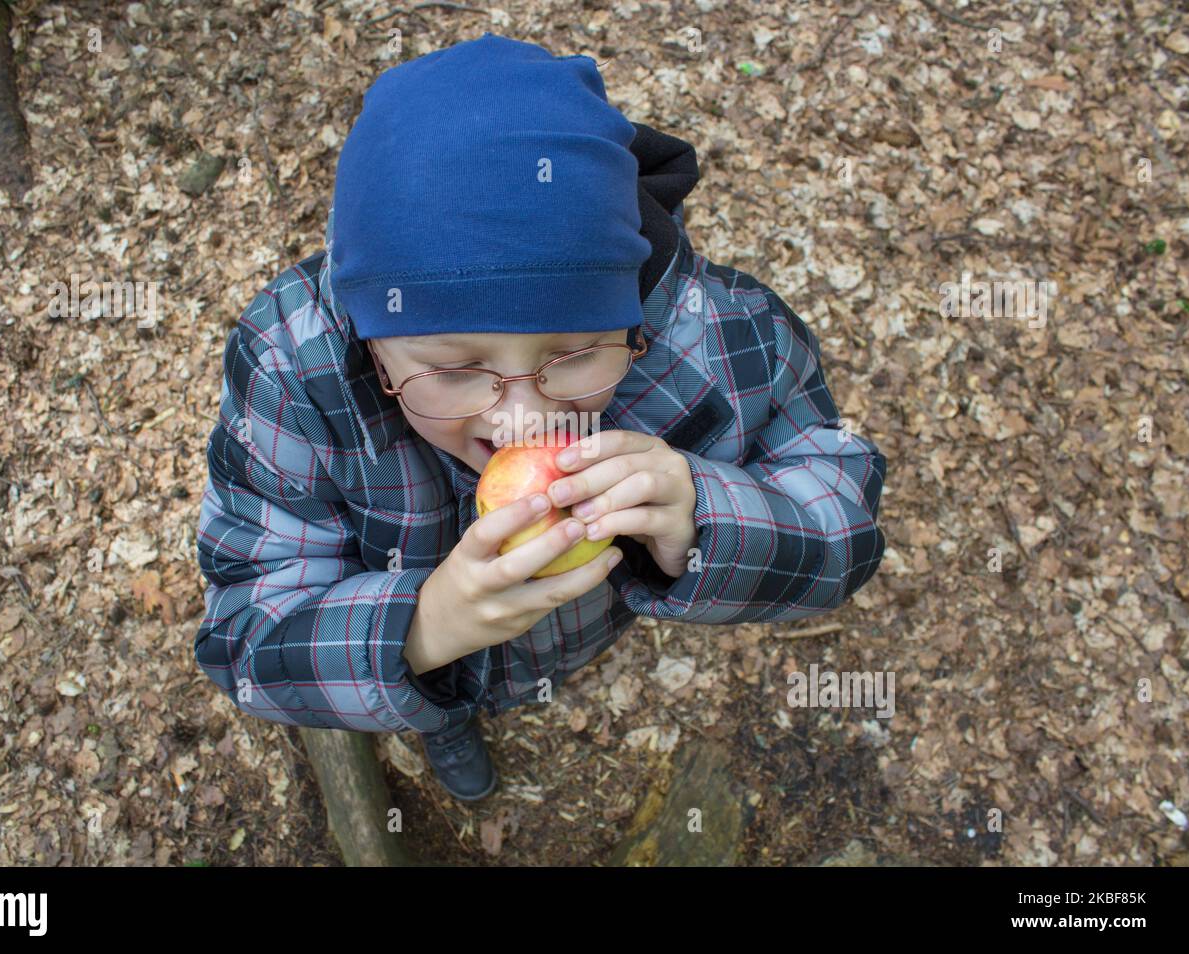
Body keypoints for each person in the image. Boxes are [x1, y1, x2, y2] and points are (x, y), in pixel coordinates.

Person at [194, 33, 887, 802]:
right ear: (372, 341)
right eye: (456, 371)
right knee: (429, 686)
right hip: (416, 646)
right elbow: (245, 635)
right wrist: (425, 629)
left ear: (630, 320)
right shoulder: (295, 368)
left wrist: (705, 516)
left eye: (576, 355)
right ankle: (444, 723)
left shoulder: (716, 335)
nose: (524, 419)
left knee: (552, 652)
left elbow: (843, 522)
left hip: (580, 629)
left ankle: (526, 676)